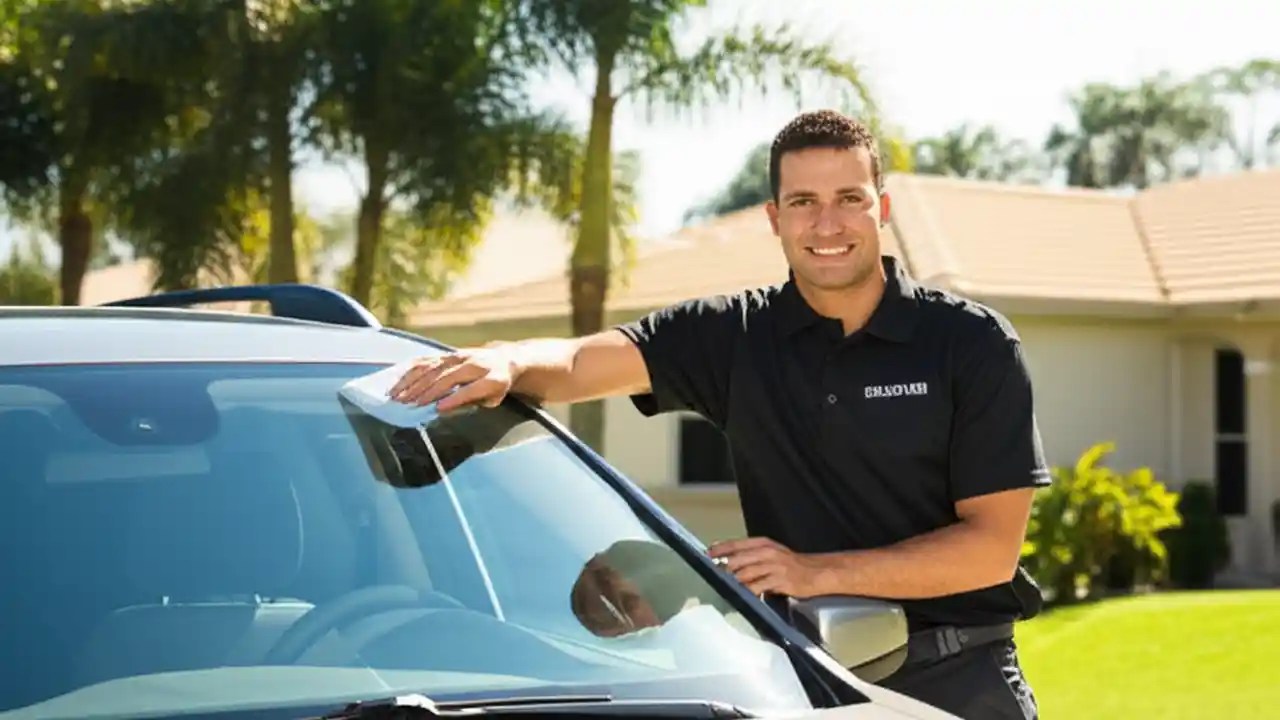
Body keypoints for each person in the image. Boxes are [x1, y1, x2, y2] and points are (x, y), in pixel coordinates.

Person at [389, 109, 1048, 719]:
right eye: (803, 203)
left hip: (961, 682)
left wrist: (813, 572)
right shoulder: (732, 336)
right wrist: (506, 363)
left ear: (882, 207)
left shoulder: (970, 344)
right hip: (807, 686)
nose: (828, 225)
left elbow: (990, 551)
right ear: (774, 217)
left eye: (849, 199)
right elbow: (575, 363)